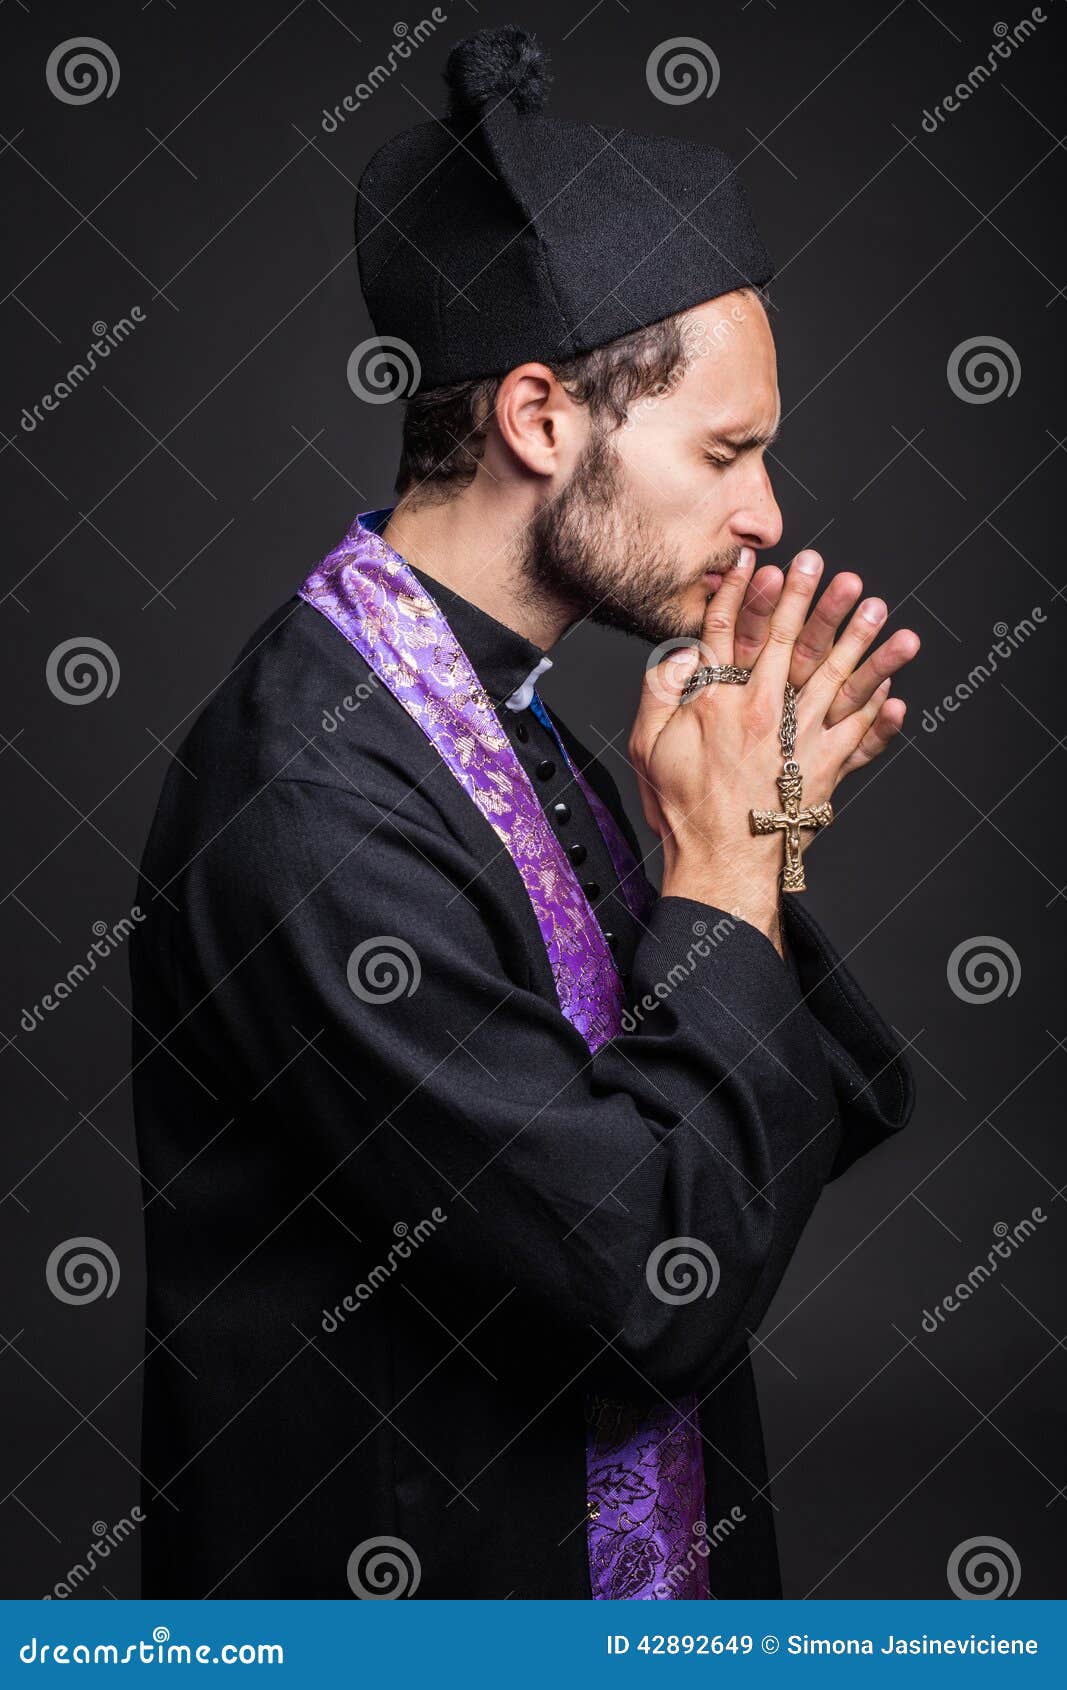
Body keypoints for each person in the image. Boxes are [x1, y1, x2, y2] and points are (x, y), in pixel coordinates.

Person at [131, 25, 919, 1600]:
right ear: (545, 417)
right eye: (728, 449)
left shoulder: (498, 716)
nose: (767, 511)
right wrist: (722, 875)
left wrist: (743, 851)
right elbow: (648, 1276)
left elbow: (758, 1141)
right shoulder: (318, 794)